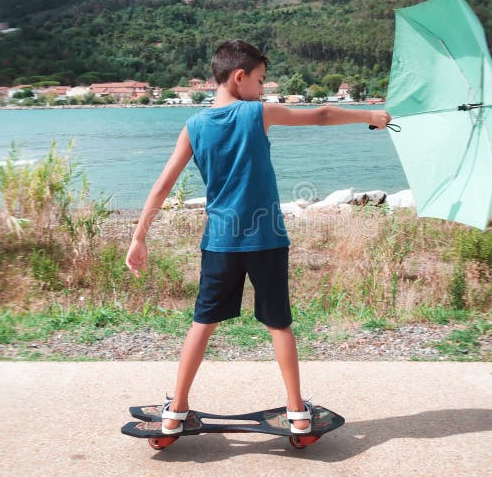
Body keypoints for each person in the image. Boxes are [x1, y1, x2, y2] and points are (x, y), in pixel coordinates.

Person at [125, 39, 391, 435]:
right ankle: (298, 412)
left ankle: (176, 410)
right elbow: (319, 115)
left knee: (203, 323)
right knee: (278, 324)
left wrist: (138, 237)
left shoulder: (194, 126)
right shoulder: (256, 113)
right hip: (267, 239)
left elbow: (163, 185)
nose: (263, 89)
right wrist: (370, 115)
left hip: (220, 243)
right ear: (239, 77)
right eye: (261, 80)